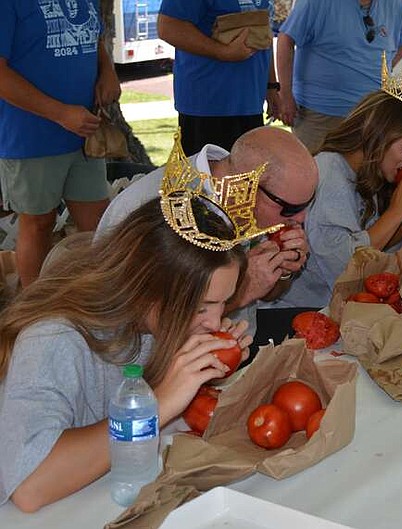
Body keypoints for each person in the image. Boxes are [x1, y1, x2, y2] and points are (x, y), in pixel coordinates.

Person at [0, 198, 253, 512]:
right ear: (146, 287)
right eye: (200, 307)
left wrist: (202, 373)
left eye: (222, 303)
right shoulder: (53, 339)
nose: (215, 323)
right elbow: (30, 486)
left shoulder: (153, 322)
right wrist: (157, 407)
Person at [95, 127, 318, 340]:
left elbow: (269, 292)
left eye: (307, 204)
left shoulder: (251, 202)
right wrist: (241, 293)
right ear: (249, 185)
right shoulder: (153, 210)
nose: (300, 218)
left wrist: (283, 270)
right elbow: (128, 325)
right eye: (291, 208)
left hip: (237, 348)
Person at [275, 89, 402, 309]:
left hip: (333, 303)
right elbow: (345, 265)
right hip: (303, 308)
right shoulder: (329, 171)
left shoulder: (366, 175)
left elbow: (375, 248)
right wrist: (396, 212)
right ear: (380, 134)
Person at [0, 0, 120, 288]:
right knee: (39, 223)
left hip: (85, 133)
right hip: (31, 137)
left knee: (99, 226)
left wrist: (108, 71)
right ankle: (33, 310)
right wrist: (60, 113)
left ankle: (100, 301)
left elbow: (94, 36)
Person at [276, 0, 402, 155]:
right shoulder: (316, 3)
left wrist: (385, 68)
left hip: (370, 117)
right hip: (319, 115)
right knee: (313, 174)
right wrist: (285, 94)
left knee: (359, 177)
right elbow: (286, 39)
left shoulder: (393, 5)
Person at [157, 0, 280, 156]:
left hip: (250, 103)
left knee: (247, 177)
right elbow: (168, 27)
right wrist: (222, 52)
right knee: (209, 179)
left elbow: (263, 34)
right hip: (208, 106)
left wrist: (271, 86)